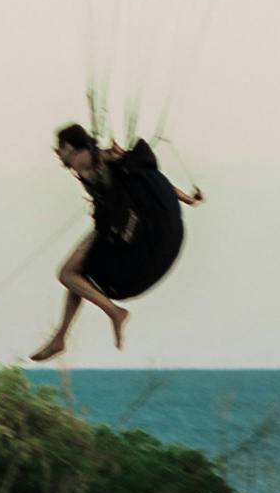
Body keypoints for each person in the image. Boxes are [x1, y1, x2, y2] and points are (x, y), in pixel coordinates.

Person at [31, 121, 202, 364]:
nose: (61, 158)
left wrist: (185, 198)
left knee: (67, 274)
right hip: (111, 227)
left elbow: (145, 175)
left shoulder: (103, 157)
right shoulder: (86, 168)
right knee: (75, 275)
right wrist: (187, 199)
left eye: (61, 151)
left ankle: (114, 313)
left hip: (131, 228)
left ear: (70, 147)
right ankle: (61, 338)